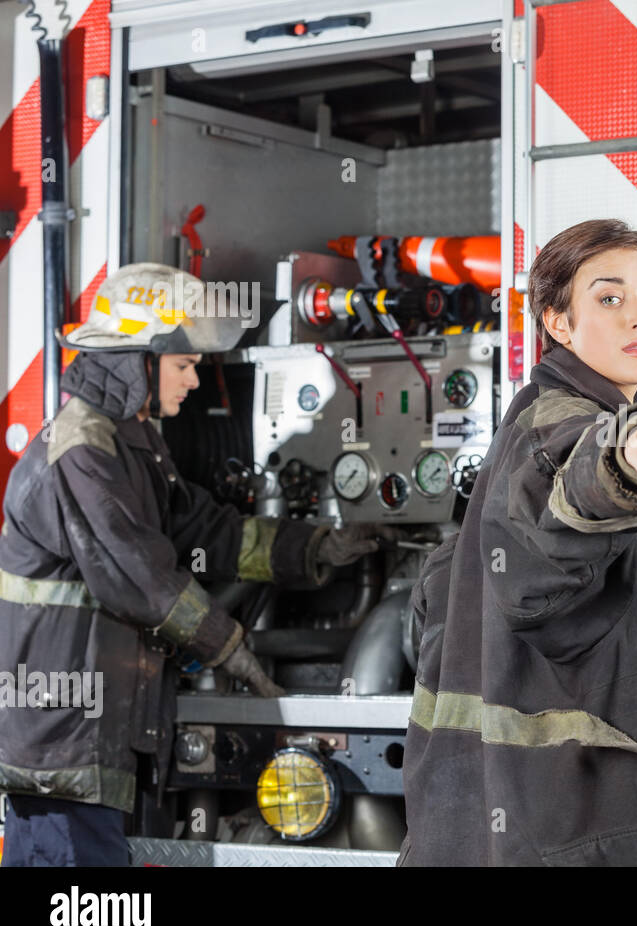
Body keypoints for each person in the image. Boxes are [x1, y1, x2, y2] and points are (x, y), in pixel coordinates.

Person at [0, 263, 387, 866]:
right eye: (183, 366)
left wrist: (314, 548)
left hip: (91, 731)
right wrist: (228, 646)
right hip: (63, 739)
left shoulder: (133, 444)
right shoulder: (84, 449)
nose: (194, 381)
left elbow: (205, 532)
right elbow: (139, 578)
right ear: (138, 361)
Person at [400, 218, 637, 866]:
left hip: (530, 821)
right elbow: (570, 495)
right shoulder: (564, 426)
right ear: (556, 320)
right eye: (609, 298)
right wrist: (629, 466)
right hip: (579, 827)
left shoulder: (555, 417)